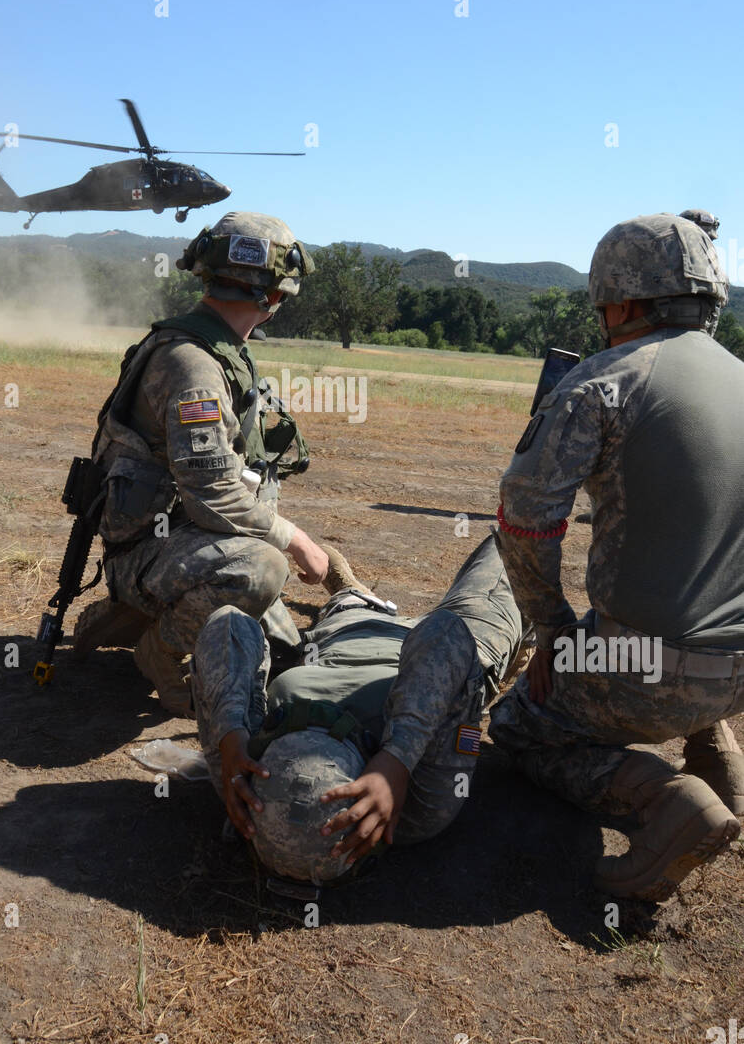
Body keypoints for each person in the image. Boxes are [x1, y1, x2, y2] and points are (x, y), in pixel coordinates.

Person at [489, 212, 744, 902]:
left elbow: (526, 524)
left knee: (517, 727)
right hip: (737, 671)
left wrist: (551, 632)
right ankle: (712, 740)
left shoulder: (604, 381)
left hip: (641, 672)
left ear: (623, 302)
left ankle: (669, 803)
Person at [71, 211, 331, 714]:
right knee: (260, 571)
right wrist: (299, 543)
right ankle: (159, 649)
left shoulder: (216, 347)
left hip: (185, 537)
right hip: (150, 550)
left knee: (287, 662)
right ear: (273, 296)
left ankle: (139, 616)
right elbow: (213, 495)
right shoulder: (194, 365)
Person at [190, 534, 527, 887]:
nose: (315, 727)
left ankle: (351, 593)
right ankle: (528, 641)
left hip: (343, 635)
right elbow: (445, 635)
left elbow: (229, 623)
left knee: (339, 603)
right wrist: (398, 759)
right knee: (514, 540)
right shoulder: (422, 808)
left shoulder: (242, 775)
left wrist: (229, 732)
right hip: (458, 651)